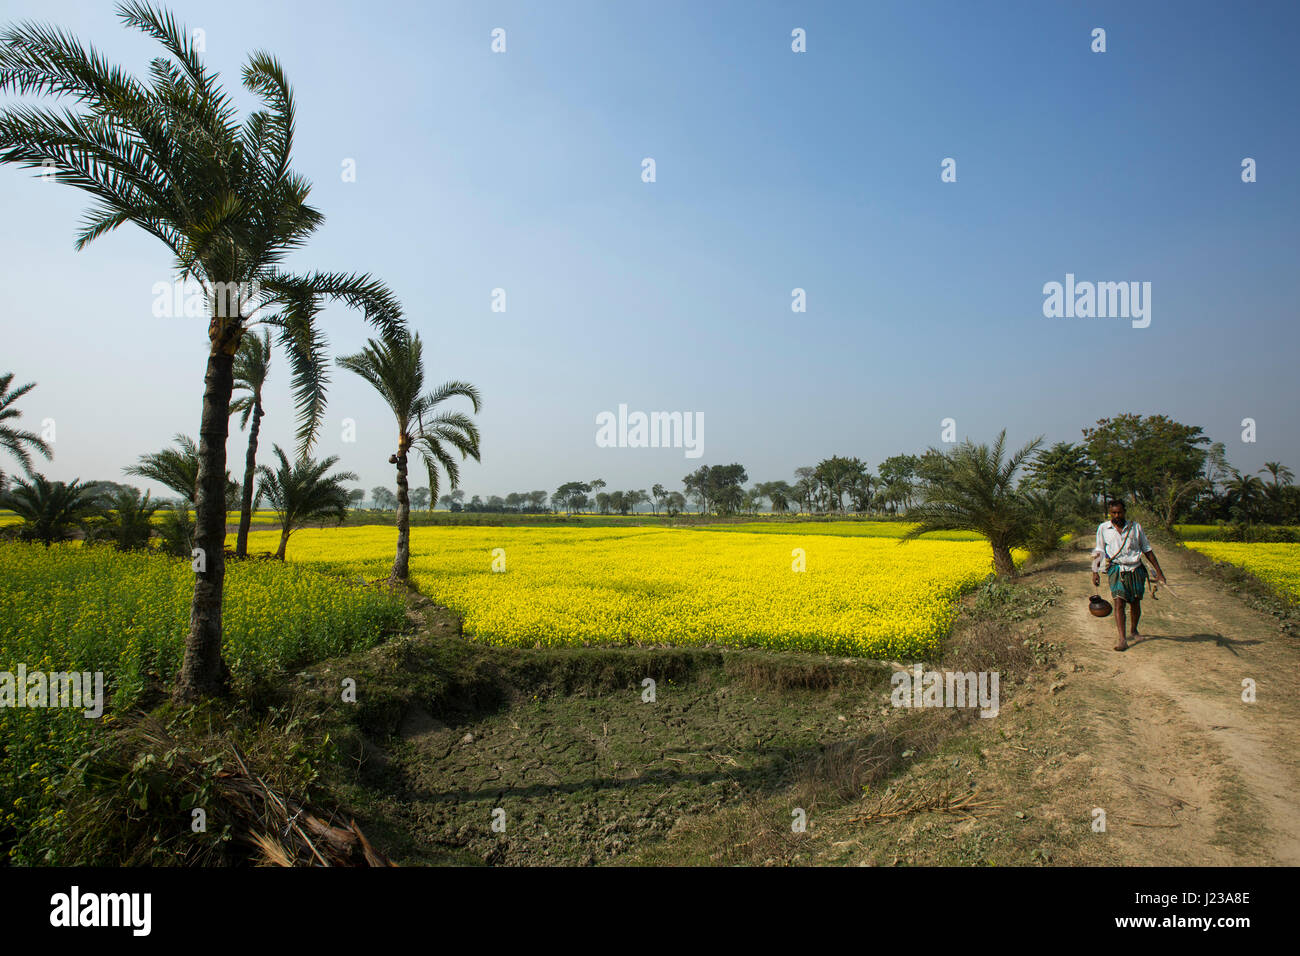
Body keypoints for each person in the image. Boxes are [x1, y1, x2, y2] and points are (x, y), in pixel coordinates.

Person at [1091, 499, 1167, 652]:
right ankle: (1122, 639)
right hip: (1116, 570)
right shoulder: (1103, 528)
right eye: (1113, 513)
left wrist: (1159, 573)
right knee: (1119, 602)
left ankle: (1134, 630)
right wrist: (1095, 571)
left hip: (1135, 569)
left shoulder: (1135, 527)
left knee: (1135, 602)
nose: (1117, 515)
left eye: (1119, 512)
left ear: (1124, 511)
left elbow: (1147, 550)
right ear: (1109, 513)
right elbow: (1099, 551)